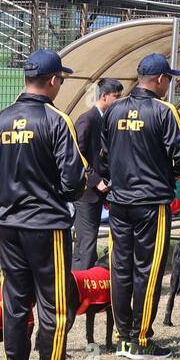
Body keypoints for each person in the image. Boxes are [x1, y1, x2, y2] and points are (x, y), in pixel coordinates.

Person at [0, 49, 86, 360]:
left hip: (9, 225)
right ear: (54, 80)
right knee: (54, 307)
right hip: (47, 227)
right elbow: (74, 180)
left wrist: (5, 205)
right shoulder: (57, 121)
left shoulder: (0, 119)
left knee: (14, 305)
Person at [99, 52, 180, 359]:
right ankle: (140, 338)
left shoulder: (113, 110)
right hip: (152, 203)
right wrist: (163, 175)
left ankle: (122, 335)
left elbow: (102, 157)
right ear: (161, 79)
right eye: (169, 79)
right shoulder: (164, 111)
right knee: (148, 270)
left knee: (120, 268)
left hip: (119, 202)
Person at [73, 77, 123, 269]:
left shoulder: (109, 119)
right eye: (116, 97)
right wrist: (95, 180)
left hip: (103, 190)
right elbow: (76, 155)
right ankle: (80, 285)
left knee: (90, 242)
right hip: (87, 192)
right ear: (104, 96)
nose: (119, 101)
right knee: (87, 241)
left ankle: (88, 281)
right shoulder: (87, 119)